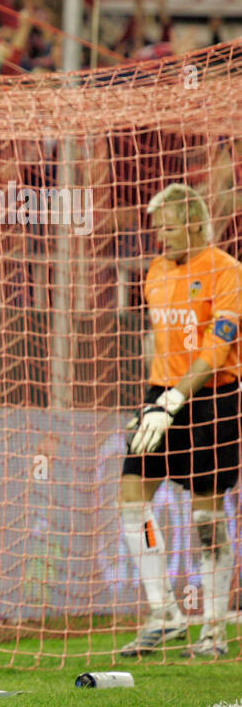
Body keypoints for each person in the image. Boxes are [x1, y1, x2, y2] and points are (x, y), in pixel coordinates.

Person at [120, 183, 239, 659]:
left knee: (206, 517)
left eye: (167, 227)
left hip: (212, 400)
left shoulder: (227, 271)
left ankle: (213, 629)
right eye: (157, 229)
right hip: (161, 399)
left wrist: (175, 398)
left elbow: (217, 350)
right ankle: (164, 612)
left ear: (193, 222)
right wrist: (153, 400)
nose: (160, 237)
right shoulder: (153, 273)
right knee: (132, 498)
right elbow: (159, 344)